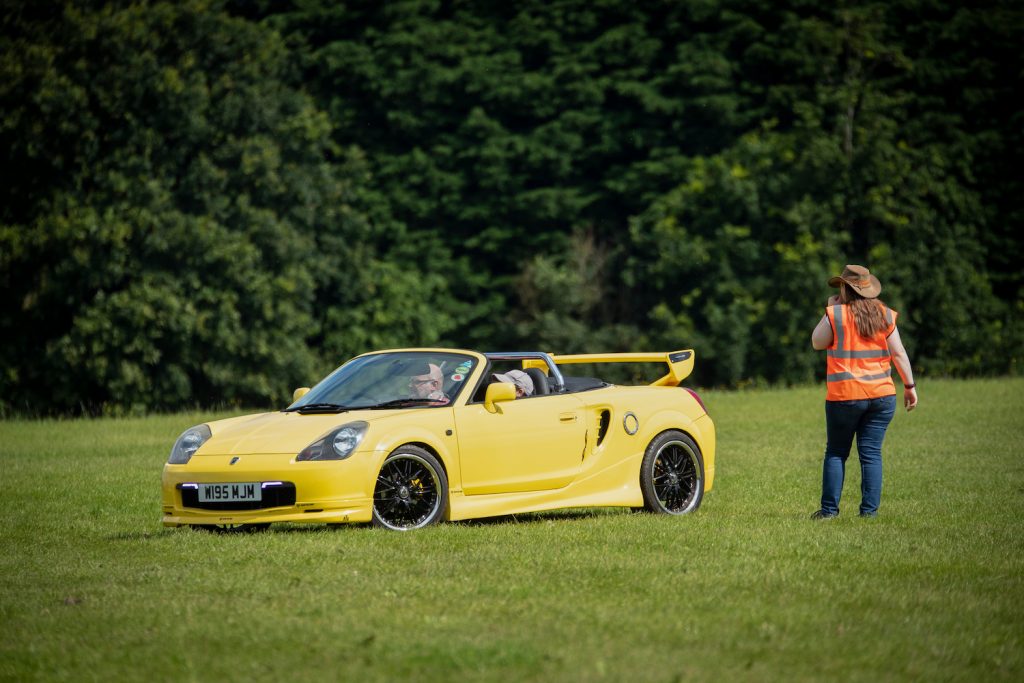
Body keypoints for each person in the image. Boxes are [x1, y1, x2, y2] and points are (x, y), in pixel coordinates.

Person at [809, 264, 918, 519]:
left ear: (845, 289)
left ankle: (828, 512)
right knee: (871, 454)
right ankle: (869, 513)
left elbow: (817, 342)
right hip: (882, 396)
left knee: (836, 452)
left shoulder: (836, 315)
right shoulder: (885, 314)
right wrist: (910, 386)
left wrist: (831, 309)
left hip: (845, 396)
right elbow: (899, 353)